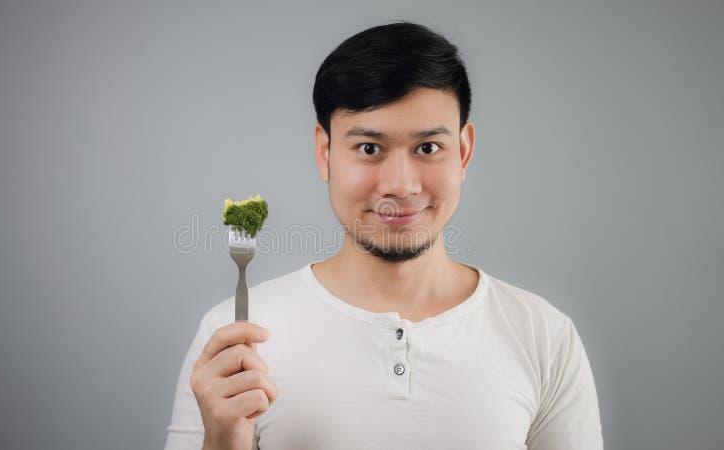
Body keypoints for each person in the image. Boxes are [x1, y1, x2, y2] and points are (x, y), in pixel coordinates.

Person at [165, 20, 603, 450]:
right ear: (325, 153)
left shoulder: (544, 335)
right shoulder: (230, 337)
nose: (400, 184)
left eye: (427, 148)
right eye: (369, 149)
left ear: (464, 152)